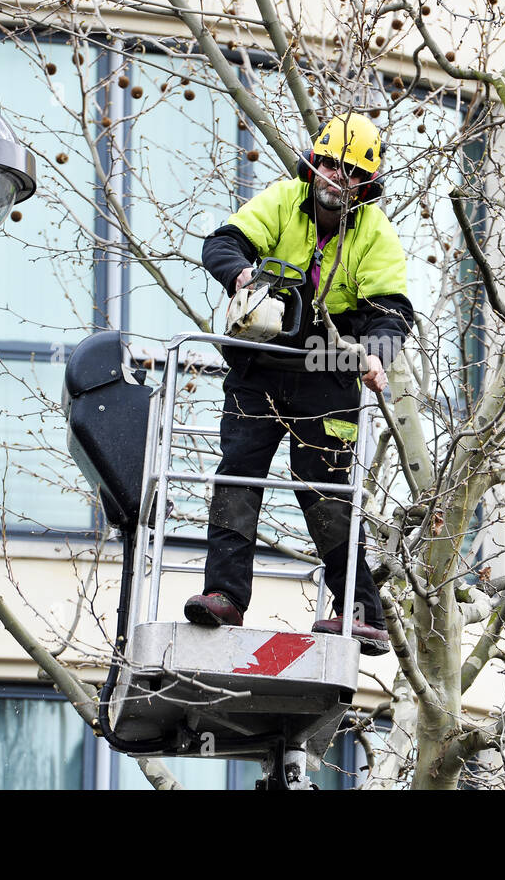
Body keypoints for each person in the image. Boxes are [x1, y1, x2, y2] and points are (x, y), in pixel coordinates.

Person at [184, 113, 415, 655]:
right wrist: (243, 274)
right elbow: (222, 243)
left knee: (326, 491)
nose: (338, 178)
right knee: (238, 475)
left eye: (351, 172)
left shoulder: (374, 233)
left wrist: (377, 356)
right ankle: (224, 593)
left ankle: (361, 613)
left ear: (365, 184)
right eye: (331, 165)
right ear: (315, 166)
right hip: (260, 364)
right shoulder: (284, 201)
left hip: (327, 370)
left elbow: (391, 311)